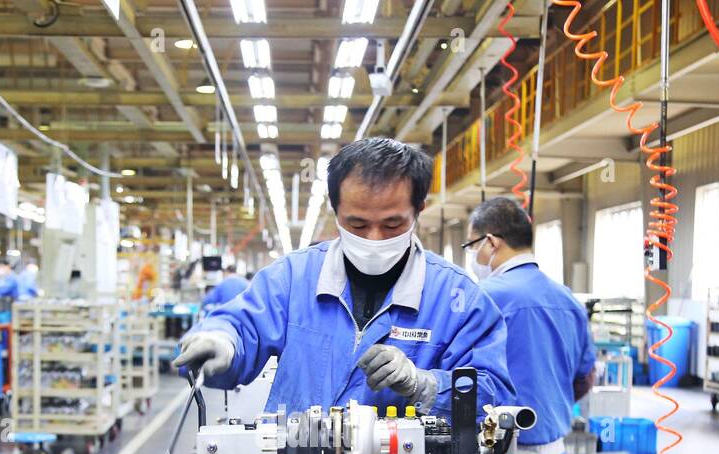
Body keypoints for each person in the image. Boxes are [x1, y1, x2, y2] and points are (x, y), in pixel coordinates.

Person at [173, 137, 511, 417]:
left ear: (418, 209)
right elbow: (242, 324)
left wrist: (423, 385)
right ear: (335, 212)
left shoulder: (458, 299)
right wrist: (221, 340)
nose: (374, 239)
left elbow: (494, 396)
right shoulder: (294, 278)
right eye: (358, 224)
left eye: (393, 224)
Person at [467, 196, 595, 454]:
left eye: (472, 247)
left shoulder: (482, 297)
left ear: (491, 243)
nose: (473, 255)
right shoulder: (567, 299)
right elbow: (585, 378)